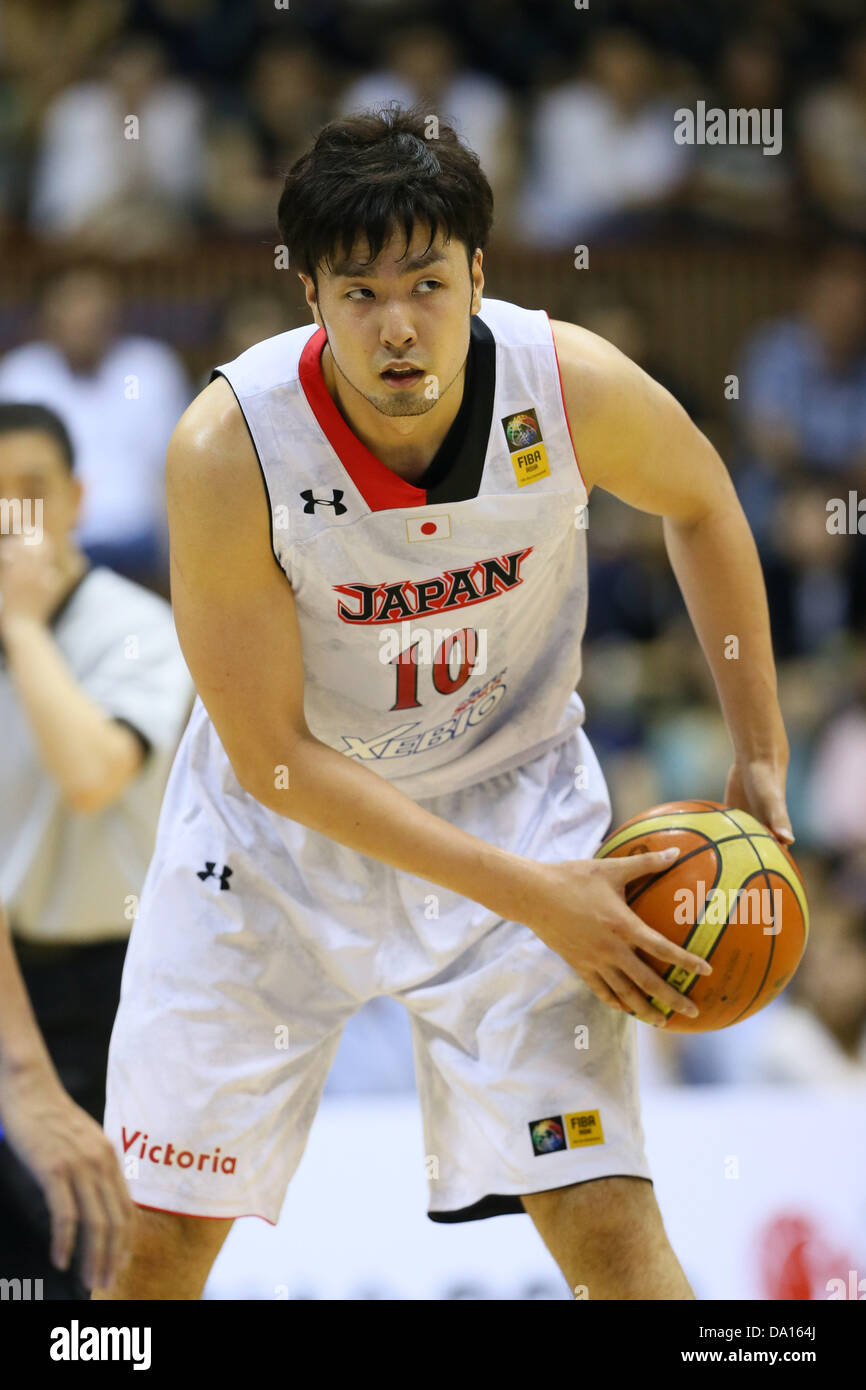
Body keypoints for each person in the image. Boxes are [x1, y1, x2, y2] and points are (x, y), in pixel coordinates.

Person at [97, 105, 794, 1302]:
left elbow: (701, 500)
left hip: (511, 797)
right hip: (275, 844)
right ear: (307, 295)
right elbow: (270, 761)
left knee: (611, 1239)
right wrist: (540, 899)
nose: (397, 324)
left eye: (425, 281)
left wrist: (759, 751)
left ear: (479, 272)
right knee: (154, 1255)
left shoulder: (565, 384)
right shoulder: (228, 446)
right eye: (358, 292)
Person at [0, 401, 194, 1296]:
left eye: (31, 492)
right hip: (7, 992)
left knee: (98, 1277)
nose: (11, 519)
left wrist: (24, 628)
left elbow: (90, 774)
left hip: (111, 991)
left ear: (77, 499)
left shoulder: (137, 629)